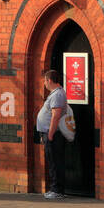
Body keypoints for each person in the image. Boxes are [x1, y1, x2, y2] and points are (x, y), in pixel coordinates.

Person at [36, 69, 67, 199]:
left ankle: (57, 190)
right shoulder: (55, 94)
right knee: (52, 161)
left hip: (52, 134)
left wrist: (50, 134)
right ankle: (55, 189)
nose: (44, 84)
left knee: (54, 162)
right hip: (49, 132)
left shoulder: (57, 95)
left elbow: (56, 115)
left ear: (49, 80)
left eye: (44, 81)